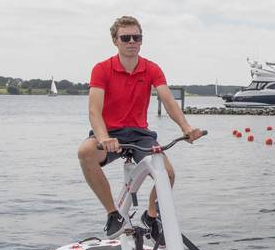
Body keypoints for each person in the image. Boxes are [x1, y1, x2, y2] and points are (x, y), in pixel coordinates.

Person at [77, 16, 204, 238]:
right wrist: (103, 137)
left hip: (139, 135)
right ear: (115, 41)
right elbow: (94, 110)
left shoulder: (151, 68)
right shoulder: (102, 69)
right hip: (111, 134)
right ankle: (113, 214)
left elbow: (168, 100)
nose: (132, 42)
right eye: (125, 38)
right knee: (85, 152)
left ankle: (151, 214)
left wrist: (186, 127)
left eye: (137, 37)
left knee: (168, 174)